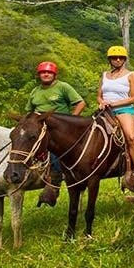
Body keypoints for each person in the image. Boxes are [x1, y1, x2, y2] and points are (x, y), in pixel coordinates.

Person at [25, 60, 86, 206]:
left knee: (54, 151)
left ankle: (54, 183)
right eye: (43, 72)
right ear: (39, 75)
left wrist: (72, 120)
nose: (46, 74)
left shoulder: (63, 87)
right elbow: (29, 112)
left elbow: (80, 103)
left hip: (58, 129)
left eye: (49, 72)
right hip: (39, 127)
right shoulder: (35, 91)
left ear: (54, 75)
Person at [96, 45, 134, 192]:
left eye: (120, 58)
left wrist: (114, 104)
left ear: (124, 59)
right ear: (109, 60)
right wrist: (101, 102)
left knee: (131, 137)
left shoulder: (131, 75)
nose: (117, 60)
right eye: (114, 58)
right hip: (105, 110)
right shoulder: (105, 75)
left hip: (124, 109)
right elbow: (99, 95)